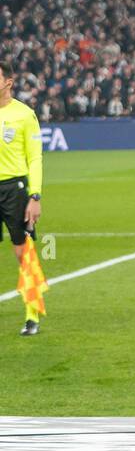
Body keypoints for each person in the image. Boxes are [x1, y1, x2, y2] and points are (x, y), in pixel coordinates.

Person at [0, 62, 45, 336]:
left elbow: (35, 157)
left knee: (22, 251)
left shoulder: (24, 114)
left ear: (8, 81)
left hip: (14, 189)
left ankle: (31, 314)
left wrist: (35, 195)